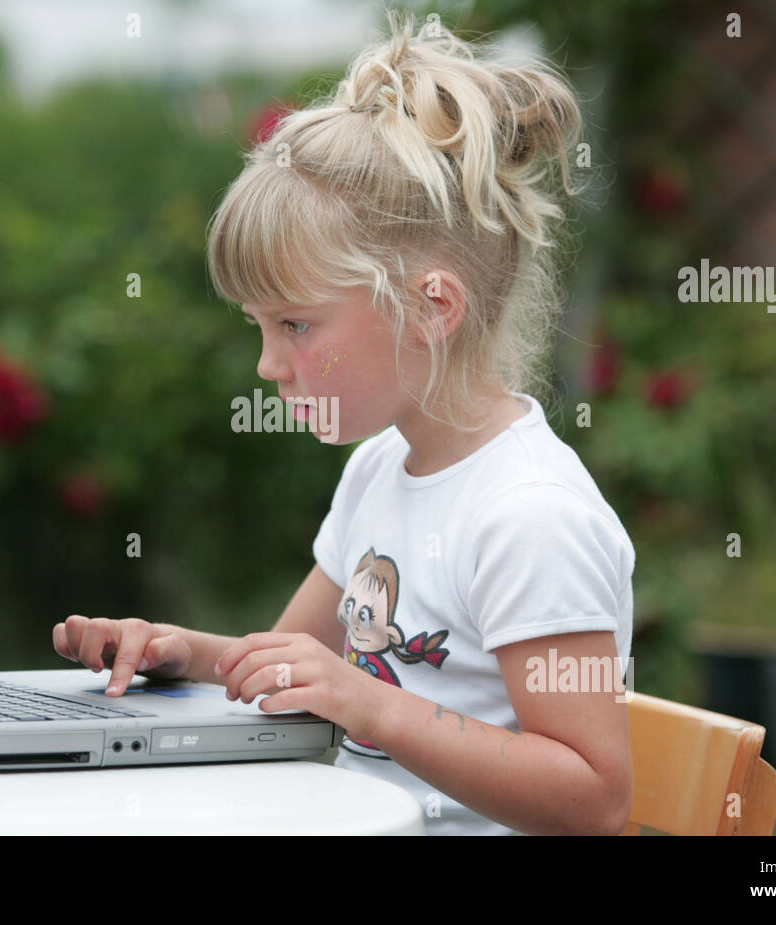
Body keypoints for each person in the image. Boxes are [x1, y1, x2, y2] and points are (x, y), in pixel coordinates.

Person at [53, 8, 635, 836]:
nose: (267, 365)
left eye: (294, 325)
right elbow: (296, 665)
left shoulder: (530, 516)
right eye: (258, 327)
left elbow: (596, 797)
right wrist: (186, 653)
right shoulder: (379, 470)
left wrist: (373, 706)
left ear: (431, 307)